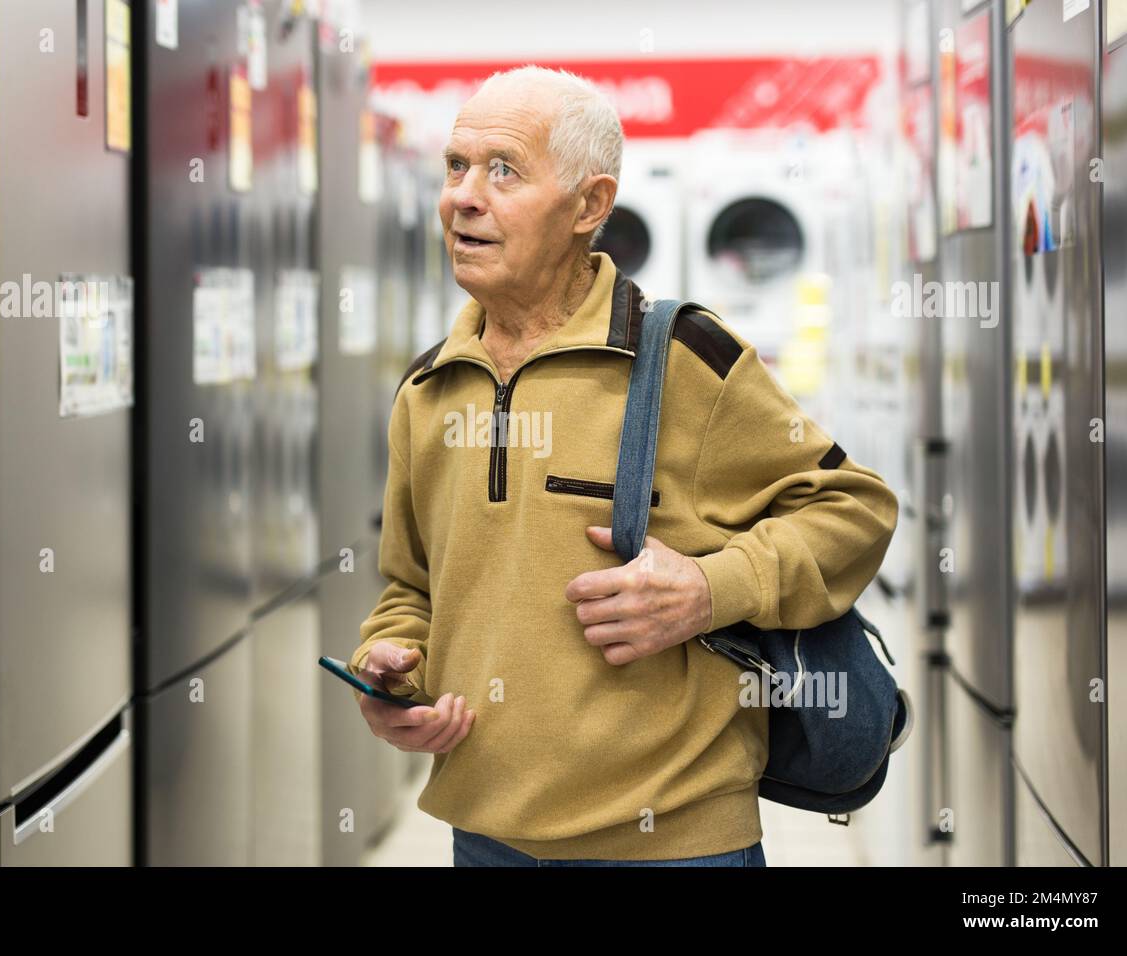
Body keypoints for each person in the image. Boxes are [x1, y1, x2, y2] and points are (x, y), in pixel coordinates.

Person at [346, 65, 898, 867]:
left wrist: (712, 589)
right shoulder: (429, 389)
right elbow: (413, 587)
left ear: (590, 206)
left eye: (503, 170)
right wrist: (389, 668)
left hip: (674, 841)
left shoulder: (680, 358)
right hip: (484, 836)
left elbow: (854, 509)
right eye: (456, 166)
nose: (464, 195)